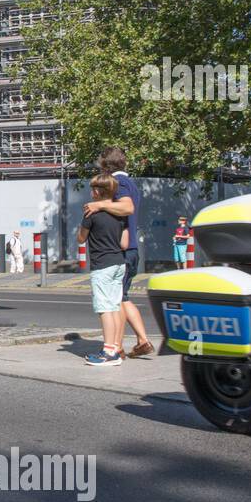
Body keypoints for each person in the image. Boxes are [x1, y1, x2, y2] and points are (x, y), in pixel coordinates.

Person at [84, 147, 154, 358]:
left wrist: (99, 205)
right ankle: (135, 341)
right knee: (122, 298)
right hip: (129, 248)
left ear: (105, 165)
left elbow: (127, 207)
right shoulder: (130, 182)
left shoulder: (120, 184)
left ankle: (117, 348)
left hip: (121, 249)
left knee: (114, 300)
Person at [79, 174, 130, 366]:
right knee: (115, 306)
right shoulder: (120, 214)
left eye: (92, 189)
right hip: (119, 262)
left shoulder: (91, 213)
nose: (91, 192)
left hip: (102, 265)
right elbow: (124, 243)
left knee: (105, 309)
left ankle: (108, 352)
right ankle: (116, 347)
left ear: (98, 192)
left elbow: (81, 238)